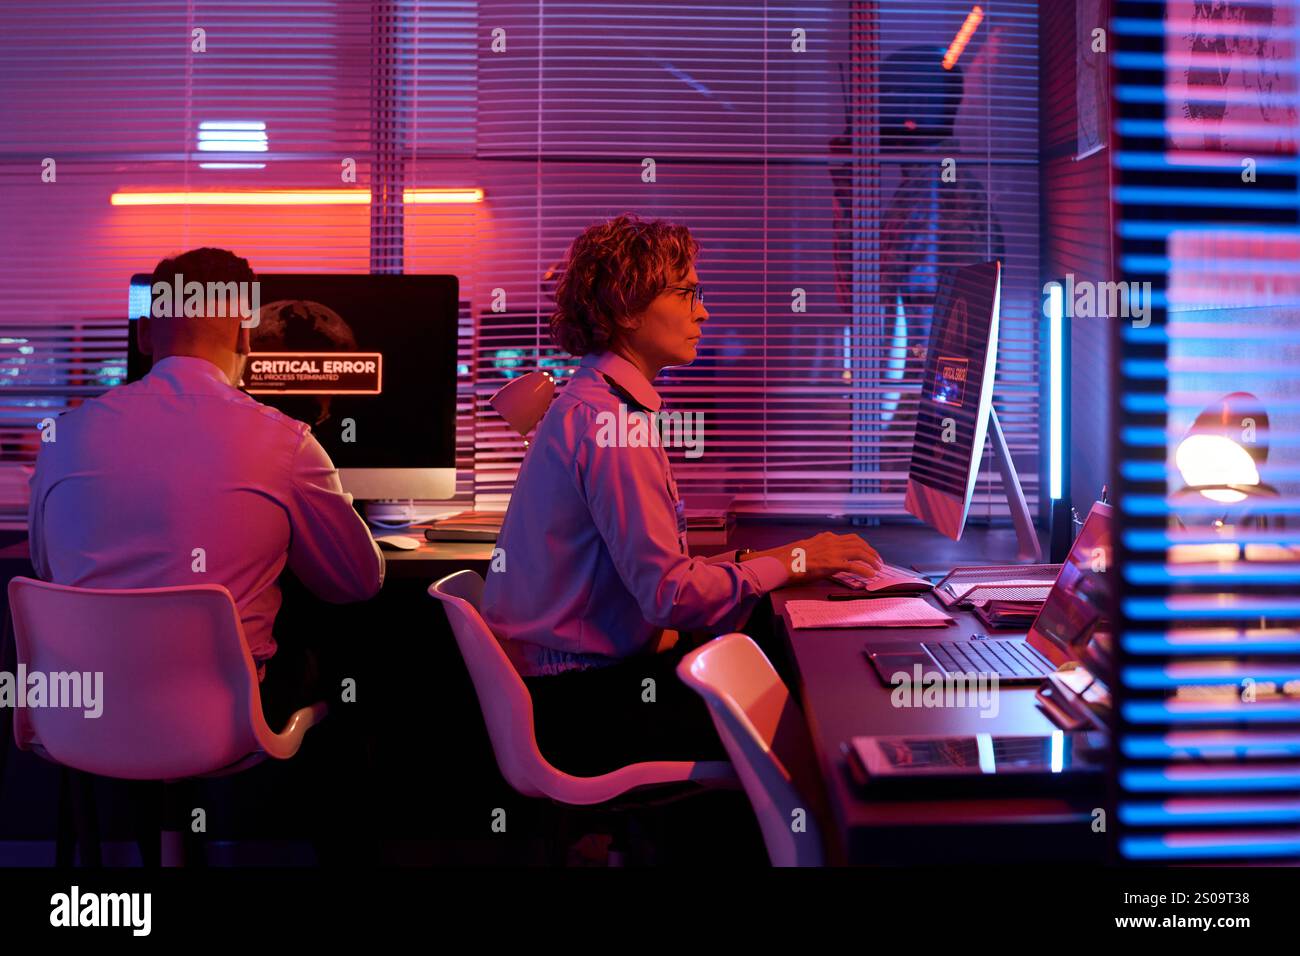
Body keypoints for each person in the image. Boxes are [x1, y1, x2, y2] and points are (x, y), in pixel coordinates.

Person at [481, 213, 883, 778]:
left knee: (777, 667)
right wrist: (792, 561)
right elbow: (668, 597)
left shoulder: (598, 403)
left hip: (579, 689)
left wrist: (772, 562)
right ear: (625, 309)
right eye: (687, 292)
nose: (704, 311)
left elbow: (659, 578)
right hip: (584, 708)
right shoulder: (608, 424)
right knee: (816, 727)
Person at [27, 247, 384, 728]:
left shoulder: (60, 437)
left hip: (79, 720)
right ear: (245, 336)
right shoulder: (287, 442)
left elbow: (46, 567)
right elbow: (356, 582)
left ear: (145, 333)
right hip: (221, 724)